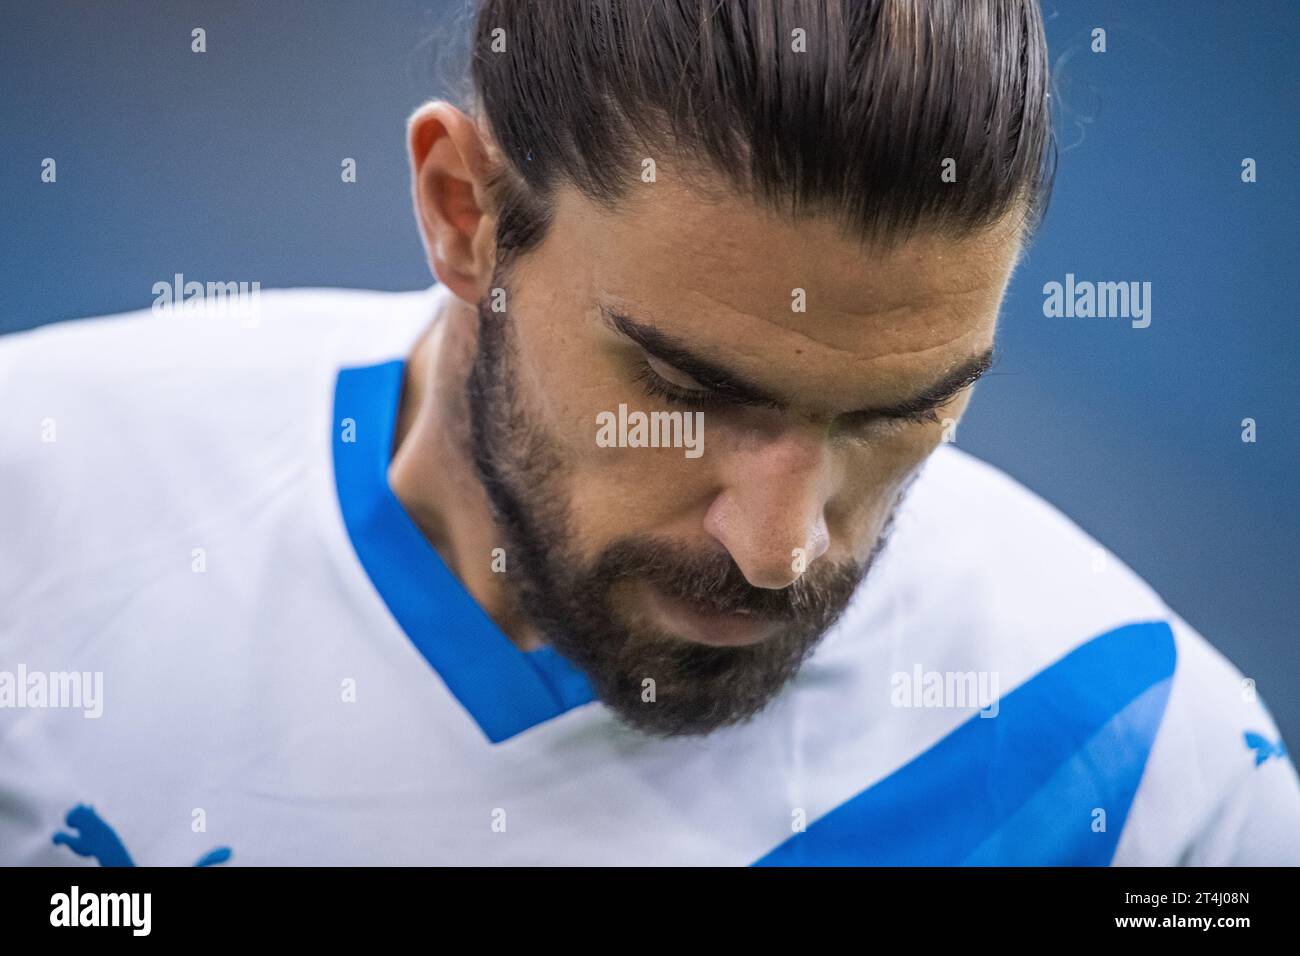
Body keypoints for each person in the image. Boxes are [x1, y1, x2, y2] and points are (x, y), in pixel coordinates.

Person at [2, 0, 1296, 865]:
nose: (783, 549)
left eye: (902, 413)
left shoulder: (1139, 763)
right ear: (466, 215)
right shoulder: (37, 506)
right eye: (691, 395)